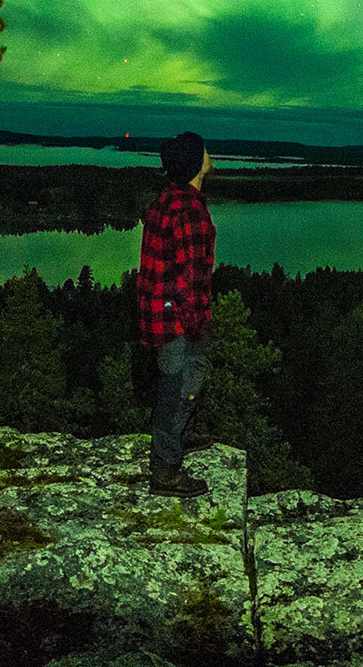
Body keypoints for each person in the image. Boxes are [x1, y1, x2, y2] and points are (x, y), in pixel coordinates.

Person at [137, 131, 217, 498]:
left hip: (158, 314)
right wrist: (198, 325)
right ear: (195, 164)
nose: (209, 154)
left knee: (178, 381)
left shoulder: (166, 201)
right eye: (204, 150)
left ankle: (181, 434)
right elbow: (190, 280)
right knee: (180, 384)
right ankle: (165, 470)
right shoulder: (190, 212)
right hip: (178, 320)